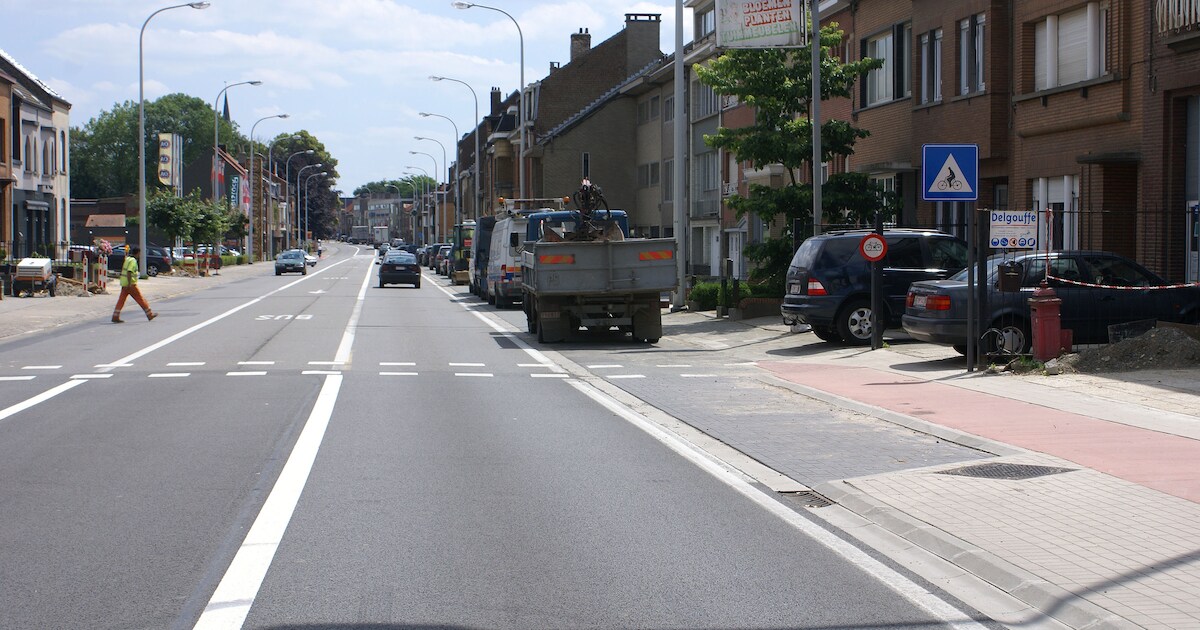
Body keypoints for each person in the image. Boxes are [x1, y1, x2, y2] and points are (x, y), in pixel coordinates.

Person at [112, 245, 157, 323]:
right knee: (140, 299)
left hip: (124, 283)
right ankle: (149, 314)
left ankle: (115, 316)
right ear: (138, 253)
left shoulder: (127, 259)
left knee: (121, 300)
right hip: (131, 284)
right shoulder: (133, 261)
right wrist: (129, 284)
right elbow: (129, 271)